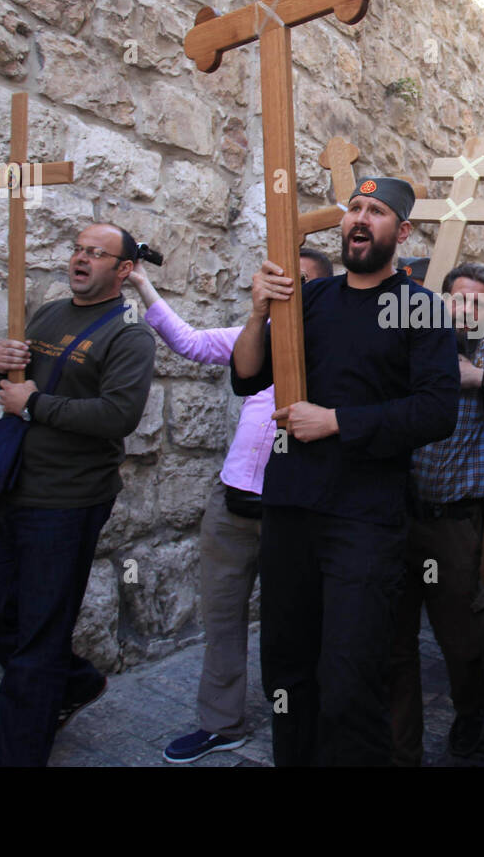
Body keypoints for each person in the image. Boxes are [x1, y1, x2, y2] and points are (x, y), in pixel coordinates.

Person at [231, 177, 459, 766]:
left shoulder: (422, 309)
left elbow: (436, 412)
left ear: (401, 232)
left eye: (376, 212)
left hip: (363, 518)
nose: (360, 219)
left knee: (350, 675)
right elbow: (248, 376)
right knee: (285, 664)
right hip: (290, 508)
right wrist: (258, 314)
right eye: (354, 208)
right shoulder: (310, 299)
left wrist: (336, 421)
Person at [128, 247, 333, 763]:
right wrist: (142, 285)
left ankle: (305, 724)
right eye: (280, 281)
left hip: (292, 513)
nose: (289, 292)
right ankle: (222, 722)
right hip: (232, 506)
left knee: (297, 626)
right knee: (221, 619)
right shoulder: (254, 342)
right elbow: (191, 343)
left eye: (303, 283)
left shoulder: (335, 355)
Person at [0, 223, 156, 767]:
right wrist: (0, 367)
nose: (81, 259)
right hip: (11, 484)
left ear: (123, 270)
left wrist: (32, 404)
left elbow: (119, 416)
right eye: (78, 249)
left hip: (67, 501)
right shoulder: (49, 312)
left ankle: (19, 757)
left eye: (97, 254)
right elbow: (17, 389)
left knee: (38, 639)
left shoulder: (129, 334)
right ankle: (73, 682)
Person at [388, 263, 484, 765]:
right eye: (455, 300)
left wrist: (479, 378)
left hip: (454, 525)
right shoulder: (414, 350)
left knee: (462, 638)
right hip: (397, 515)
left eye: (476, 303)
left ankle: (472, 709)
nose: (463, 310)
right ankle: (404, 747)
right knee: (394, 640)